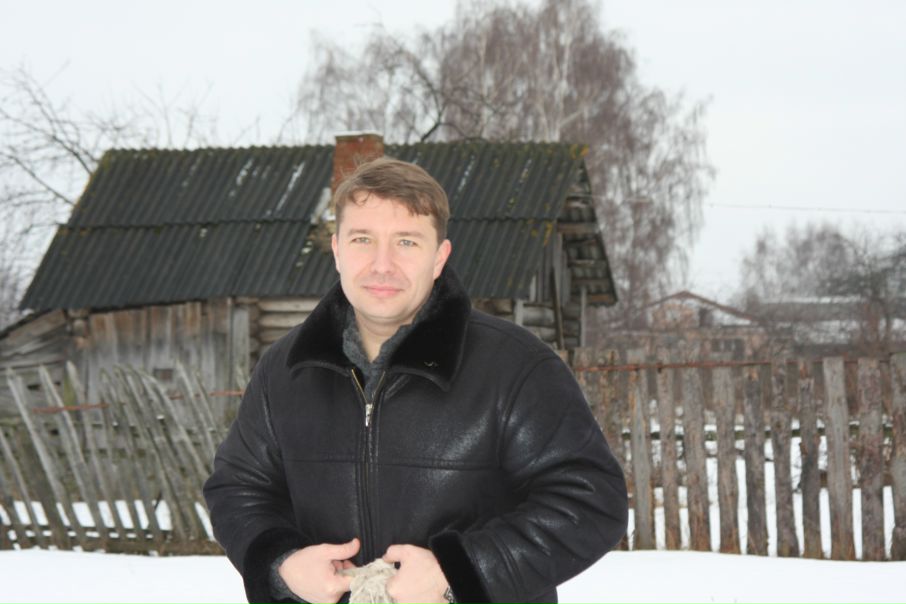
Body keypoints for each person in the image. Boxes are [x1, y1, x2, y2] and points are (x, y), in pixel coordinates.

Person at [203, 157, 628, 604]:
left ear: (439, 257)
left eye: (406, 242)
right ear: (337, 250)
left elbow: (590, 501)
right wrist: (282, 565)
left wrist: (457, 574)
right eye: (362, 240)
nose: (382, 265)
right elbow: (237, 489)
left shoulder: (516, 367)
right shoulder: (284, 369)